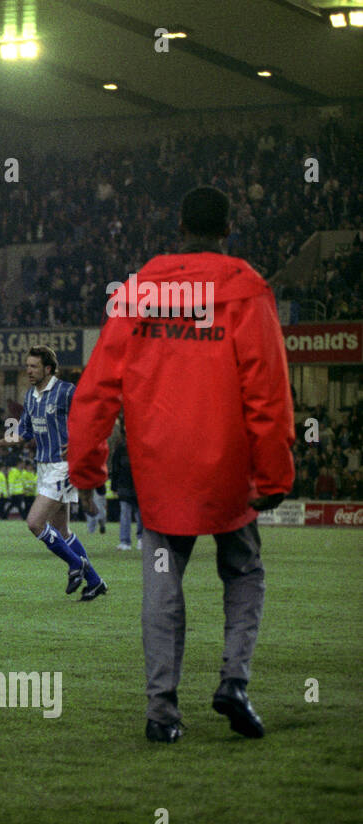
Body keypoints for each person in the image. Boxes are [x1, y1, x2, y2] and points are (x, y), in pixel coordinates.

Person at [68, 185, 294, 743]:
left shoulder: (139, 293)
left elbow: (96, 392)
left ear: (179, 229)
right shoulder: (246, 288)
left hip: (160, 474)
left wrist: (88, 472)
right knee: (244, 572)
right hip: (229, 474)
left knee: (162, 588)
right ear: (227, 229)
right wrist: (274, 473)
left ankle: (161, 713)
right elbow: (267, 390)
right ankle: (233, 682)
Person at [0, 346, 107, 601]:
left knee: (35, 523)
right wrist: (0, 442)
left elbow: (91, 418)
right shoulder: (30, 396)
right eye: (27, 366)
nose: (28, 370)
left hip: (62, 466)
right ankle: (95, 582)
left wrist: (77, 444)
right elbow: (25, 432)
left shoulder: (66, 391)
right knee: (62, 531)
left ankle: (77, 565)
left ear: (48, 369)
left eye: (33, 366)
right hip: (43, 467)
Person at [109, 417, 142, 551]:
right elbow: (115, 469)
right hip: (125, 487)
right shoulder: (120, 448)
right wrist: (114, 486)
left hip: (139, 488)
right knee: (125, 514)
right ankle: (125, 541)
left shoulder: (140, 448)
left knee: (140, 516)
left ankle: (141, 539)